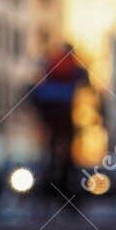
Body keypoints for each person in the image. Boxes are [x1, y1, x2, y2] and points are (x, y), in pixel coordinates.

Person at [31, 45, 89, 207]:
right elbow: (85, 81)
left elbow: (36, 87)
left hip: (48, 112)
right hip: (64, 113)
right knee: (68, 155)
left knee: (50, 153)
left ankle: (46, 193)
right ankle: (69, 196)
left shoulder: (52, 65)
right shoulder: (73, 67)